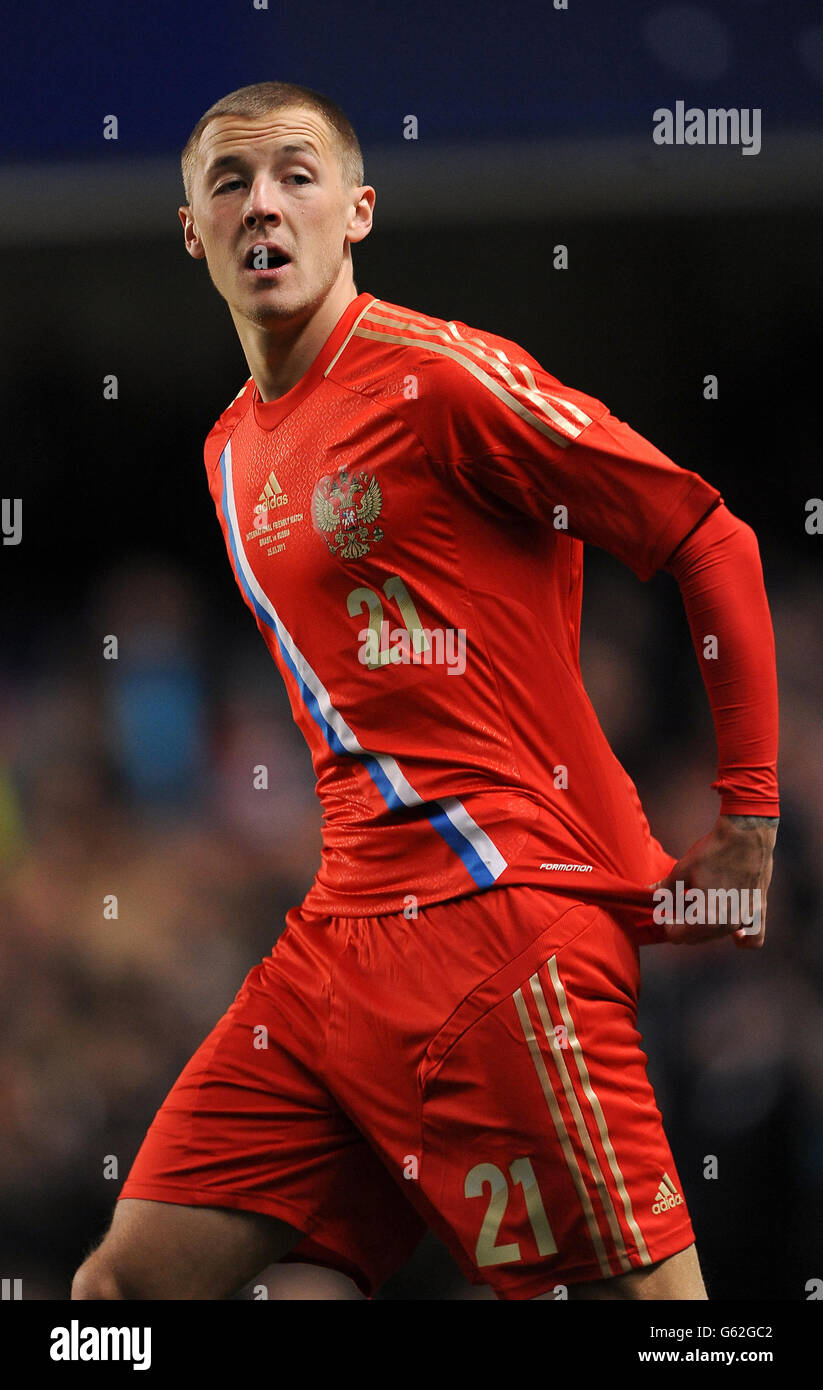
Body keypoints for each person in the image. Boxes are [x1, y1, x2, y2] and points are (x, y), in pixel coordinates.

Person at [71, 81, 779, 1302]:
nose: (263, 204)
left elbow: (710, 537)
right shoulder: (228, 447)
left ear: (359, 210)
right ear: (190, 229)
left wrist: (750, 824)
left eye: (298, 173)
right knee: (122, 1296)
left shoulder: (443, 379)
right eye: (229, 181)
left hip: (500, 927)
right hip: (331, 949)